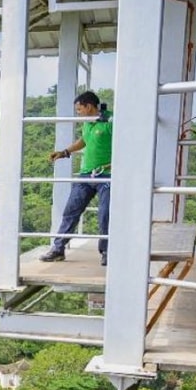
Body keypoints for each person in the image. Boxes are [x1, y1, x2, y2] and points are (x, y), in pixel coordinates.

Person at [40, 90, 113, 266]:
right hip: (86, 174)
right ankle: (58, 249)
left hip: (107, 174)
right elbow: (84, 140)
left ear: (89, 106)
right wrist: (65, 152)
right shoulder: (89, 123)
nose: (78, 113)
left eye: (79, 109)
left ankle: (106, 252)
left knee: (105, 215)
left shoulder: (111, 121)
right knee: (71, 211)